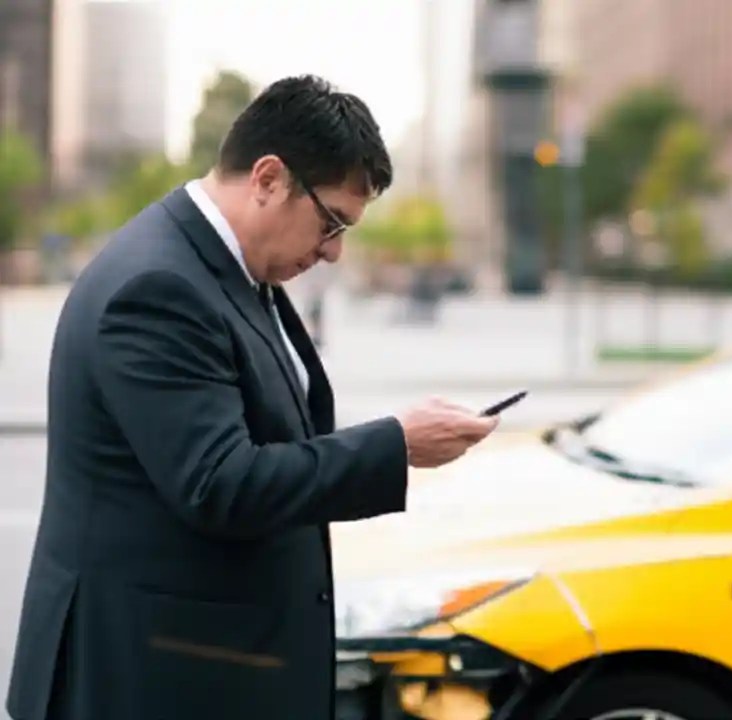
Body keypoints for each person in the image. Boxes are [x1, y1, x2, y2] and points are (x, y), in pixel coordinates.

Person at [5, 75, 499, 720]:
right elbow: (220, 483)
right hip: (147, 676)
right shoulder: (158, 286)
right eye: (331, 223)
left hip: (195, 663)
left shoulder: (225, 265)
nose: (335, 252)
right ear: (268, 178)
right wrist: (395, 445)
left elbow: (271, 433)